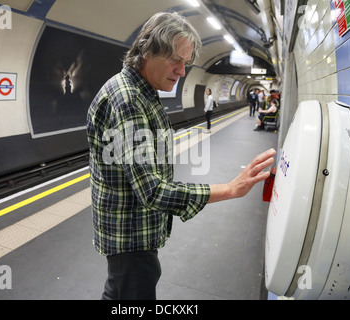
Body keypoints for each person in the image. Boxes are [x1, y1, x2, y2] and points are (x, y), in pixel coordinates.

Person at [86, 11, 276, 300]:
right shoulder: (128, 100)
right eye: (175, 60)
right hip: (129, 233)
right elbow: (152, 190)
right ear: (147, 51)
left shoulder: (143, 92)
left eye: (186, 63)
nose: (182, 71)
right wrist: (230, 189)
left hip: (135, 229)